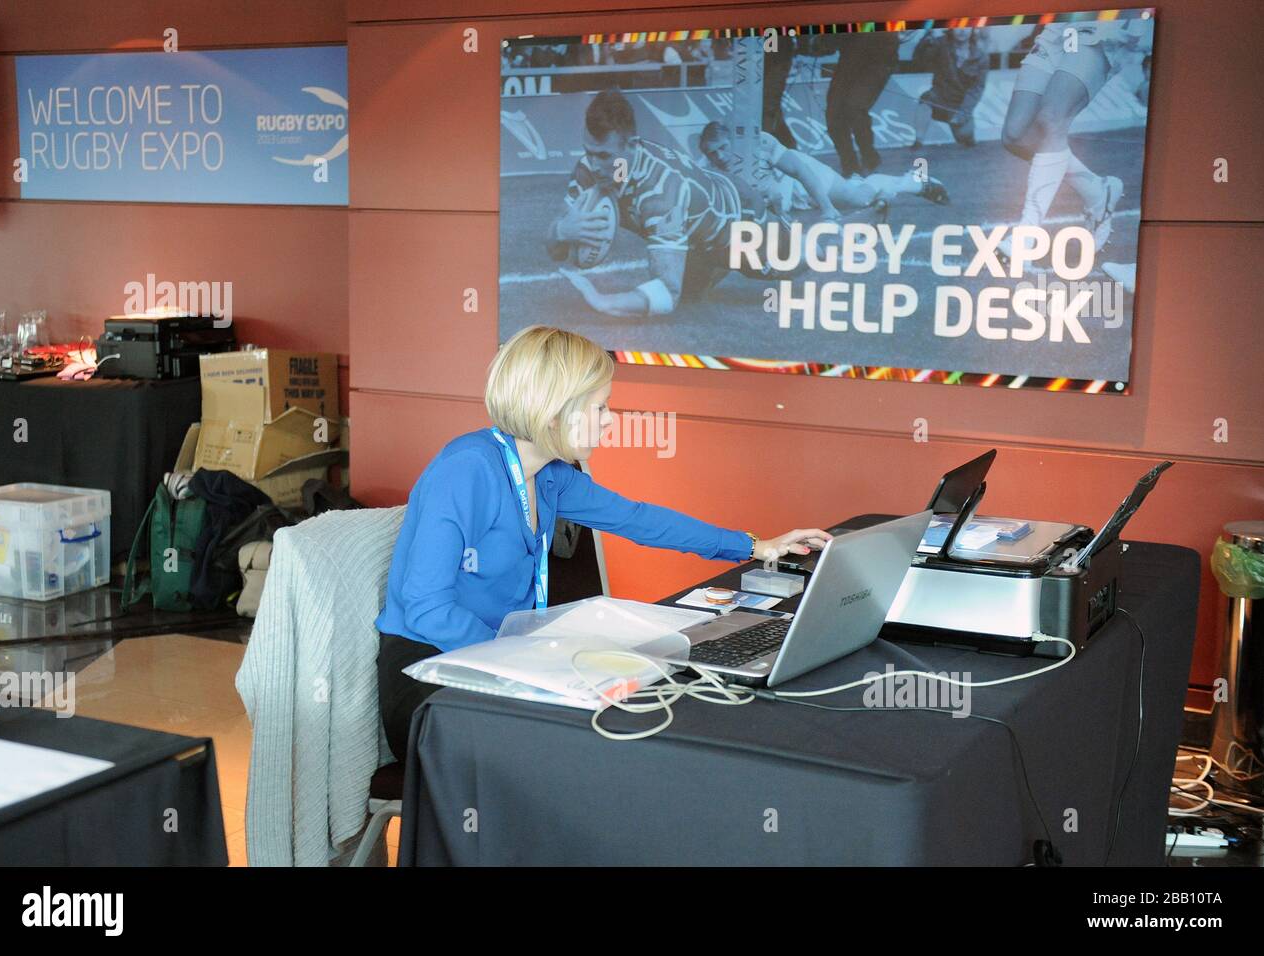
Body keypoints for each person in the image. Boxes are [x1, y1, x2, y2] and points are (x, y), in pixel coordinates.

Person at [374, 325, 833, 761]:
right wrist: (517, 662)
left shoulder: (550, 473)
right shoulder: (466, 470)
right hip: (430, 670)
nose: (610, 421)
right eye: (600, 408)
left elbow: (638, 519)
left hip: (501, 653)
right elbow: (427, 609)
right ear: (554, 412)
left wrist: (756, 547)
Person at [548, 89, 795, 316]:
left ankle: (789, 228)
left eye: (604, 155)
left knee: (791, 263)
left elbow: (667, 294)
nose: (594, 165)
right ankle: (709, 265)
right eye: (588, 152)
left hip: (742, 219)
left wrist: (603, 301)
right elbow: (555, 250)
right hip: (696, 233)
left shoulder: (661, 191)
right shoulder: (590, 169)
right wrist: (561, 230)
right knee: (692, 296)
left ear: (632, 146)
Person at [998, 21, 1152, 261]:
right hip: (1060, 28)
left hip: (1103, 30)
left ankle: (1027, 235)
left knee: (1052, 119)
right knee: (1016, 136)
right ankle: (1097, 191)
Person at [698, 121, 949, 223]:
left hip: (800, 175)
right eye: (712, 153)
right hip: (777, 192)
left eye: (722, 148)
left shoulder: (759, 142)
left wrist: (827, 207)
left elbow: (800, 171)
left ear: (732, 138)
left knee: (857, 199)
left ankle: (911, 181)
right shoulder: (709, 168)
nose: (719, 157)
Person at [824, 31, 901, 177]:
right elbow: (828, 44)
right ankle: (850, 168)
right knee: (833, 114)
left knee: (854, 107)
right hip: (848, 60)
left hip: (879, 59)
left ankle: (870, 160)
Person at [910, 28, 990, 149]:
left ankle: (969, 137)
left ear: (973, 30)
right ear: (951, 29)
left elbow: (977, 89)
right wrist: (927, 39)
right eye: (958, 26)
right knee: (925, 100)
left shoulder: (981, 56)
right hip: (939, 97)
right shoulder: (939, 44)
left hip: (960, 104)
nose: (962, 31)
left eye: (967, 26)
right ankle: (918, 141)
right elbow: (919, 60)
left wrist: (963, 112)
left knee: (964, 137)